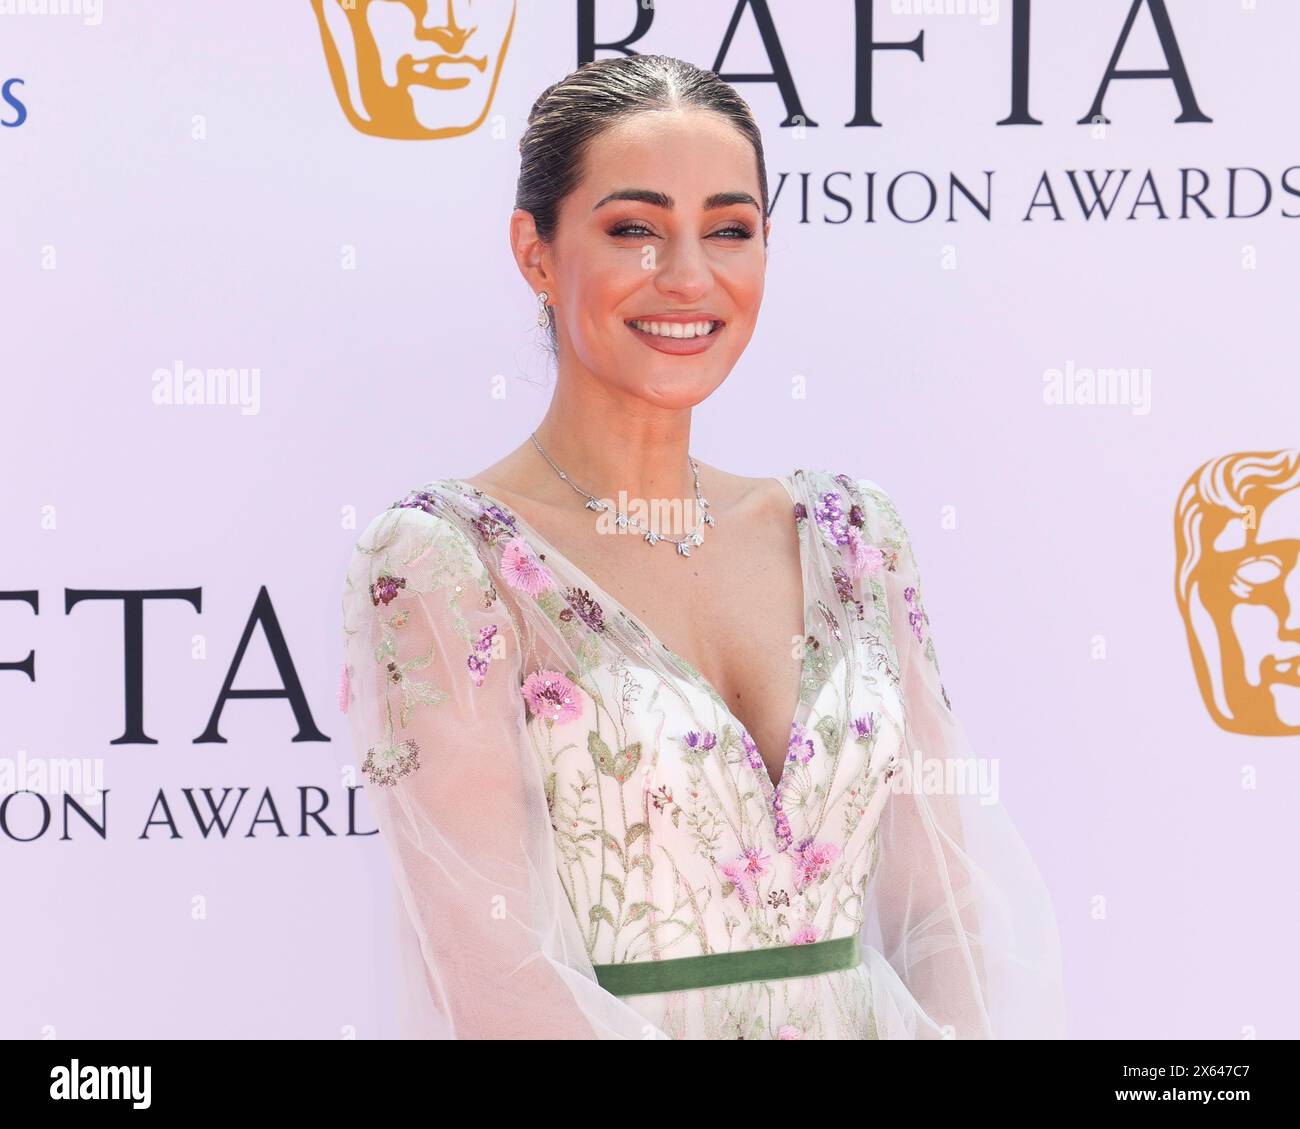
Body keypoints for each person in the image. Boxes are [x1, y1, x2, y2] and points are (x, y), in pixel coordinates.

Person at [340, 54, 1066, 1040]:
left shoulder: (855, 541)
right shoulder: (443, 562)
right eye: (633, 229)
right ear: (535, 253)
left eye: (729, 230)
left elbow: (941, 914)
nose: (687, 275)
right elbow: (489, 974)